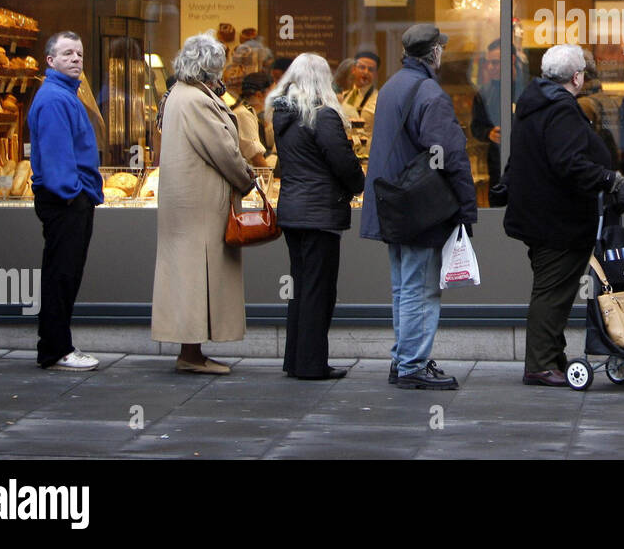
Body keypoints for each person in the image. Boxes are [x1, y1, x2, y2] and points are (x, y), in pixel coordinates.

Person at [360, 24, 477, 390]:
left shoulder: (393, 85)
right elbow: (451, 155)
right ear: (434, 54)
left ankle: (404, 358)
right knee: (421, 288)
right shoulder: (430, 93)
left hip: (394, 203)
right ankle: (412, 364)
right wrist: (466, 207)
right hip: (420, 208)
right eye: (441, 48)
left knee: (403, 286)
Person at [503, 44, 624, 387]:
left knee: (552, 289)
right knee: (552, 292)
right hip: (557, 220)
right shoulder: (560, 110)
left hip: (540, 215)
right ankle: (541, 364)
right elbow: (568, 163)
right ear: (576, 77)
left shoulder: (534, 104)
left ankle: (550, 358)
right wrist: (608, 179)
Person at [152, 32, 257, 375]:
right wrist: (247, 178)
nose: (222, 74)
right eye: (219, 66)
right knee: (194, 277)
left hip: (187, 204)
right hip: (198, 206)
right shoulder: (195, 100)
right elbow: (224, 152)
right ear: (209, 67)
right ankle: (191, 354)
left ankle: (192, 350)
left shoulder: (178, 95)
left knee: (188, 276)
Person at [269, 54, 366, 380]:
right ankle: (311, 363)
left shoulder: (283, 116)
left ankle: (295, 359)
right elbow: (342, 161)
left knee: (301, 287)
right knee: (318, 291)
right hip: (319, 213)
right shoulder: (323, 117)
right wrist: (357, 184)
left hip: (293, 211)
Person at [27, 31, 104, 371]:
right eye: (68, 54)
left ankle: (55, 346)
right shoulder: (56, 98)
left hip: (71, 198)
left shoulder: (64, 94)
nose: (76, 59)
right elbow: (58, 159)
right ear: (51, 61)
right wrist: (75, 195)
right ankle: (56, 349)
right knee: (62, 275)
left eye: (80, 54)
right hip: (66, 201)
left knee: (64, 274)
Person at [469, 39, 504, 195]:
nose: (490, 67)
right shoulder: (483, 94)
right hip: (496, 164)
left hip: (526, 163)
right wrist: (489, 133)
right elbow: (476, 127)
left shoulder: (526, 88)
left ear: (511, 60)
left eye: (495, 63)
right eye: (489, 63)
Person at [232, 72, 272, 168]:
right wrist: (270, 180)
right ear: (259, 95)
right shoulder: (243, 114)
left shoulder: (250, 111)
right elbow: (256, 157)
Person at [340, 51, 380, 128]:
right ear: (353, 70)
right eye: (362, 67)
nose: (366, 72)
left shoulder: (379, 100)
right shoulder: (344, 96)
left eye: (371, 70)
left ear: (376, 74)